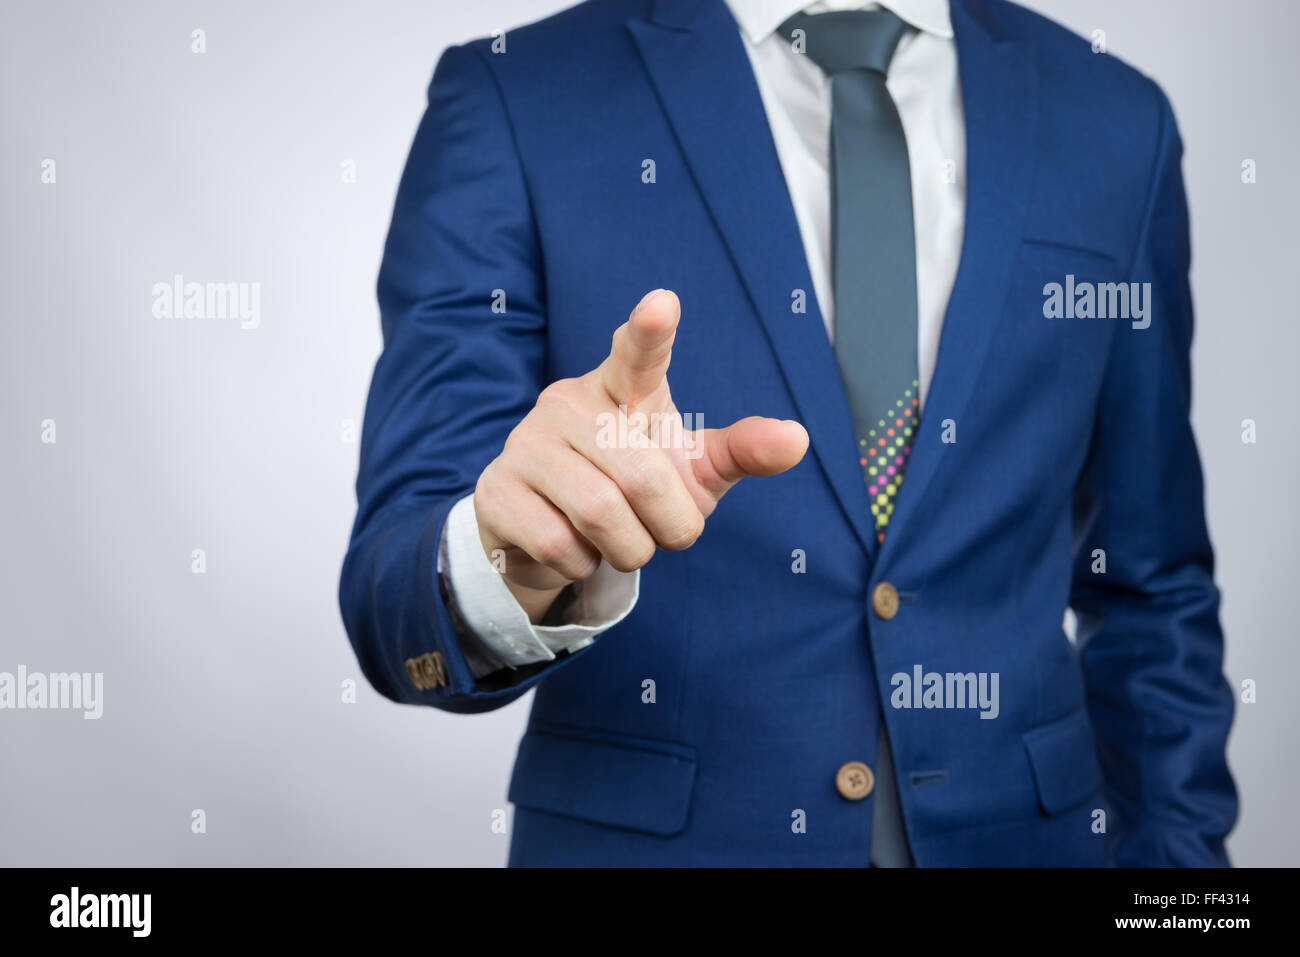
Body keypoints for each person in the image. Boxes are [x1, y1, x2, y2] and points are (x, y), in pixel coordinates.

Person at [340, 0, 1237, 866]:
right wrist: (513, 558)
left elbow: (1151, 588)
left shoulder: (1115, 119)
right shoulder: (514, 94)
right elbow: (396, 612)